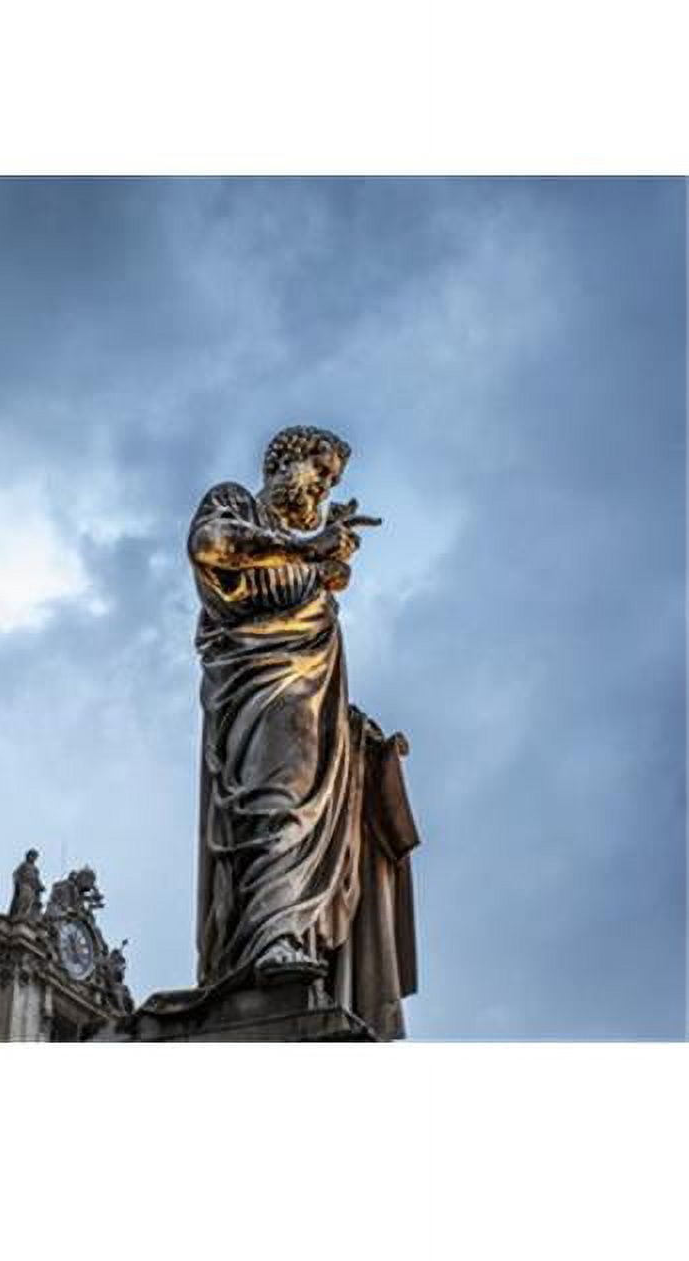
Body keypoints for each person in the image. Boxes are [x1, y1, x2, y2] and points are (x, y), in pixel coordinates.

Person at [186, 424, 417, 1039]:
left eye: (331, 480)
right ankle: (271, 942)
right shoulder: (233, 503)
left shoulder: (302, 554)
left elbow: (323, 662)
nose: (323, 485)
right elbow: (212, 545)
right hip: (255, 685)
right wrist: (314, 546)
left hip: (311, 703)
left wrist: (355, 733)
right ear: (284, 462)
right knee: (275, 802)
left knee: (306, 817)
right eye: (319, 469)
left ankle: (290, 942)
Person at [7, 849, 44, 922]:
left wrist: (40, 886)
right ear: (28, 856)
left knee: (29, 902)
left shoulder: (36, 870)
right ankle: (18, 915)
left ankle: (24, 916)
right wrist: (18, 883)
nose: (33, 858)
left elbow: (37, 880)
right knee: (23, 900)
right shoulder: (24, 865)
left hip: (32, 888)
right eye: (32, 856)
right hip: (24, 884)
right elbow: (16, 874)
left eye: (35, 857)